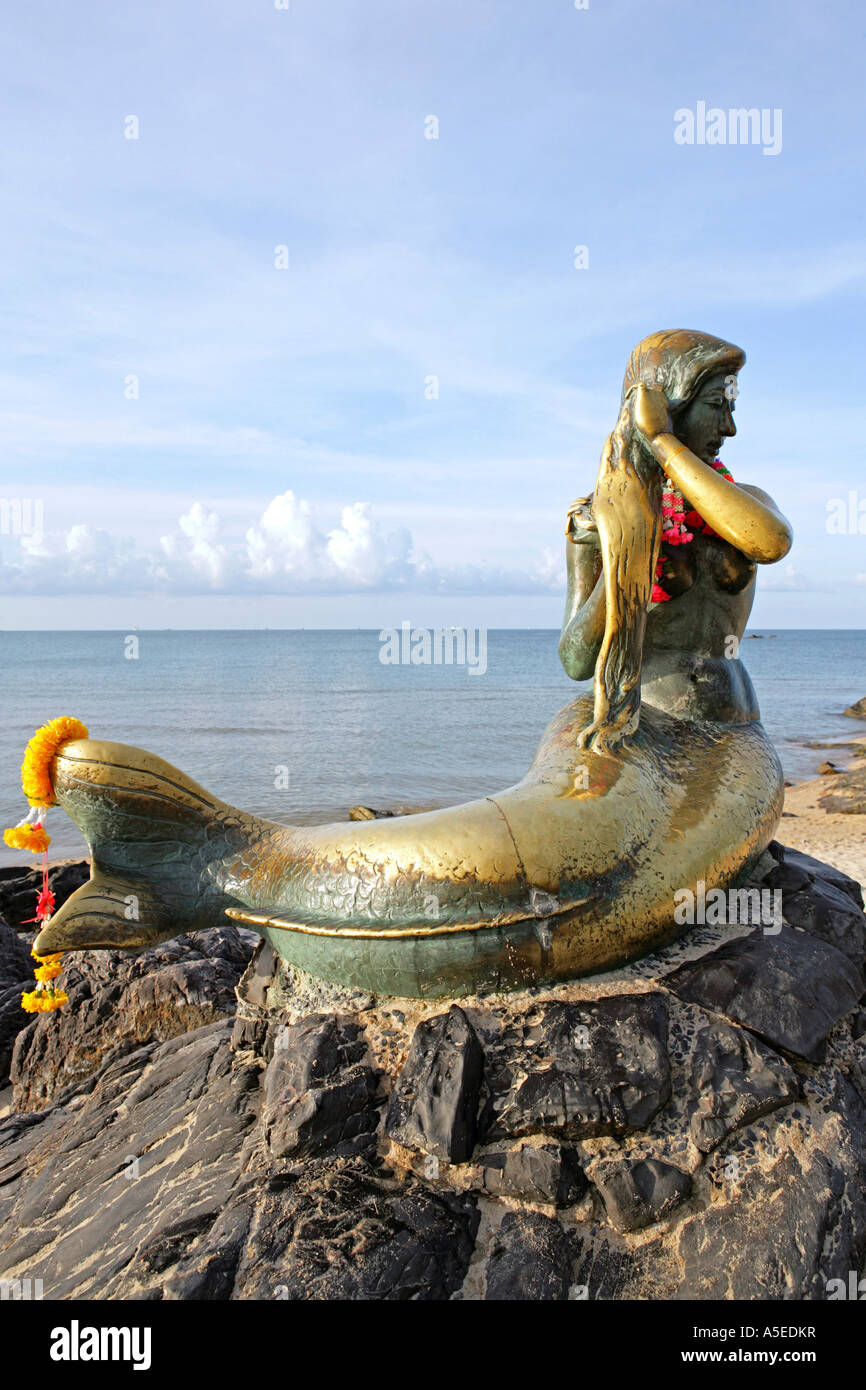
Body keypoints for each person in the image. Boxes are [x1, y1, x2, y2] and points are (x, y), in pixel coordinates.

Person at [559, 329, 792, 748]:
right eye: (717, 406)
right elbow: (575, 660)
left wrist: (662, 442)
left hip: (738, 728)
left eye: (732, 408)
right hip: (651, 728)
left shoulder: (749, 501)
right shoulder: (596, 522)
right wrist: (626, 548)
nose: (730, 427)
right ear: (668, 404)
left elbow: (771, 542)